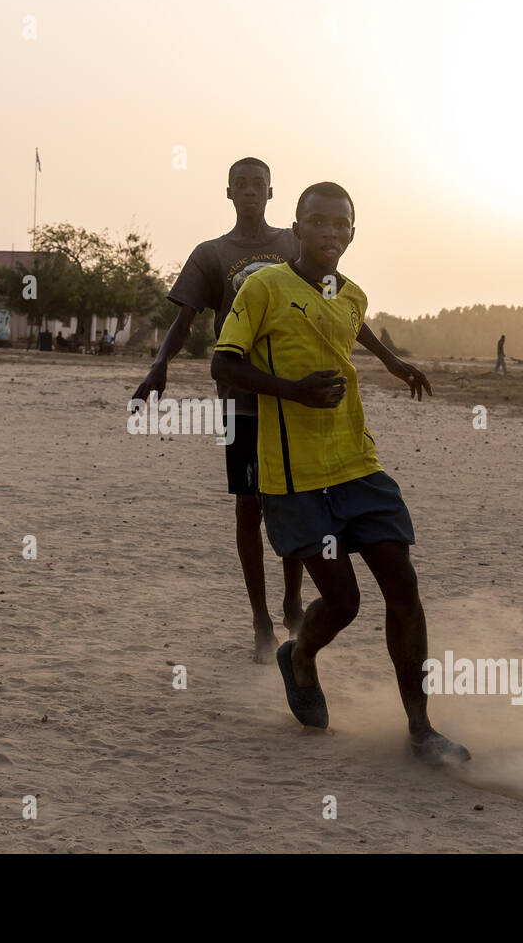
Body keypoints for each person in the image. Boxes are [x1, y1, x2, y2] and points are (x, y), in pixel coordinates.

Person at [132, 158, 430, 664]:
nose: (250, 193)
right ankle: (260, 619)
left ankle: (294, 598)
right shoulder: (212, 254)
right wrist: (159, 365)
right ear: (228, 192)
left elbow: (343, 311)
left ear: (272, 194)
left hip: (299, 404)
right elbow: (184, 321)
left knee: (289, 502)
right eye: (241, 185)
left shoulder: (295, 243)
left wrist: (391, 361)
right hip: (244, 402)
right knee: (250, 505)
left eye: (259, 186)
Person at [211, 181, 468, 766]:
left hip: (357, 463)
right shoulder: (264, 286)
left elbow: (349, 321)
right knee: (345, 603)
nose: (330, 232)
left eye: (341, 224)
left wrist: (391, 360)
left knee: (402, 584)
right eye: (319, 222)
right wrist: (292, 392)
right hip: (294, 476)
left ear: (353, 232)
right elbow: (221, 362)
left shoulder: (352, 293)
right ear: (296, 228)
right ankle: (299, 656)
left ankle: (422, 729)